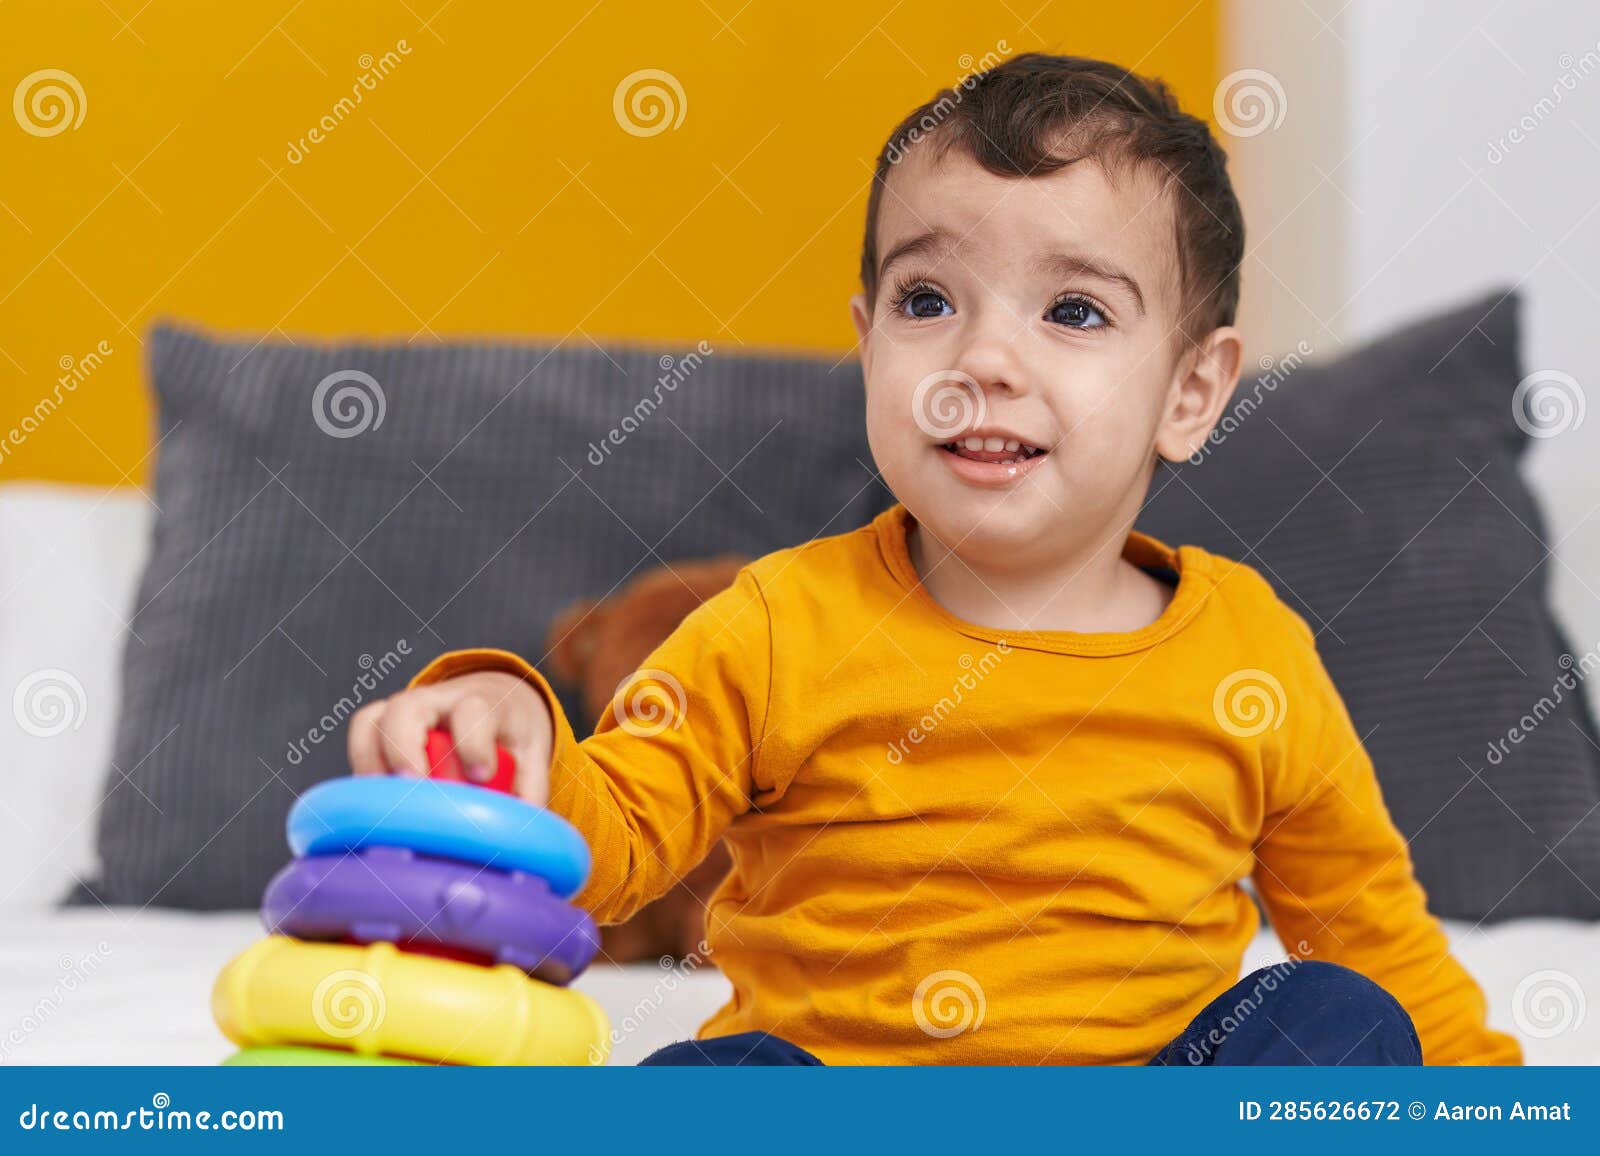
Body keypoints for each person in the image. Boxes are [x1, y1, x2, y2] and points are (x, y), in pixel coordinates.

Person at [348, 52, 1520, 1066]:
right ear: (868, 345)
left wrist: (1500, 1102)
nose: (984, 359)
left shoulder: (1248, 647)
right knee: (715, 1078)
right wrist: (508, 732)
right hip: (844, 1097)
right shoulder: (773, 624)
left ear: (1191, 391)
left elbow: (1368, 924)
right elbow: (616, 839)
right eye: (927, 299)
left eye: (1073, 311)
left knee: (1338, 1014)